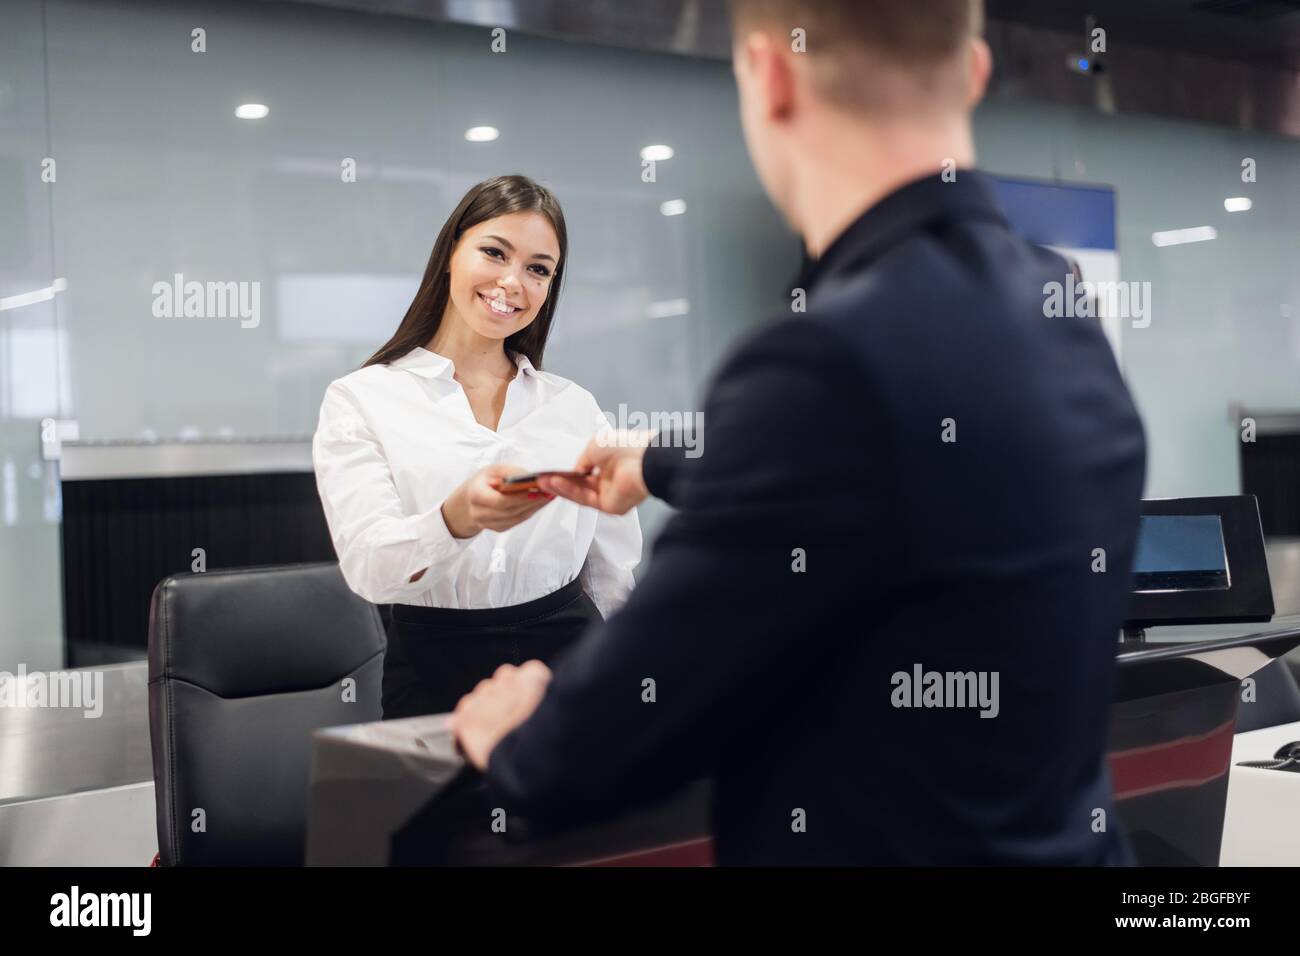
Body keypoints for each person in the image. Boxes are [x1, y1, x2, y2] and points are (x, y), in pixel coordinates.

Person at [449, 1, 1147, 865]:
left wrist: (520, 733)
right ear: (971, 71)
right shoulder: (1059, 304)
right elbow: (895, 478)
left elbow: (612, 739)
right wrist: (657, 463)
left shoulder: (824, 359)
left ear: (770, 75)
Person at [312, 174, 641, 719]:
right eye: (494, 252)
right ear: (450, 254)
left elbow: (610, 571)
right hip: (434, 668)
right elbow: (369, 568)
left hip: (570, 663)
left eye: (538, 269)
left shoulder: (574, 406)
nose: (513, 282)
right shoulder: (362, 399)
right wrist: (453, 519)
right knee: (451, 807)